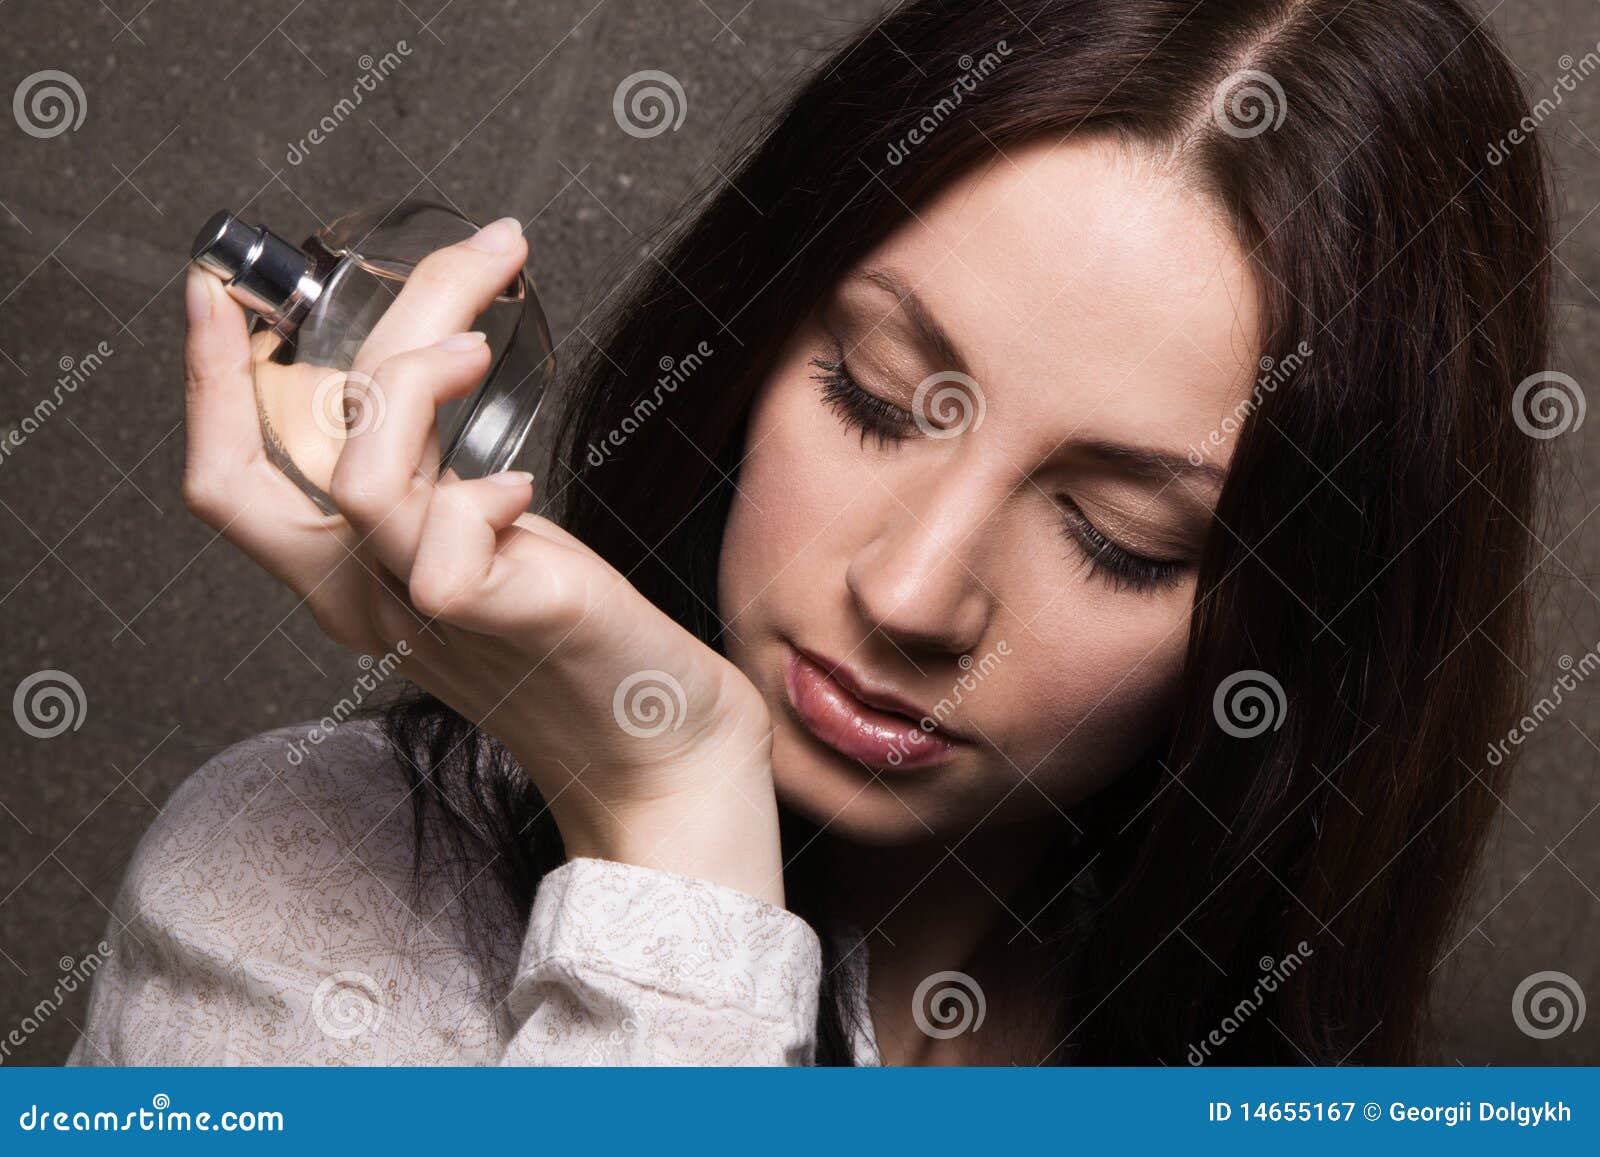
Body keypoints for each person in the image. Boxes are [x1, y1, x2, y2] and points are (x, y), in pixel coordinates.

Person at [69, 0, 1554, 1066]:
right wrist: (666, 814)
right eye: (876, 395)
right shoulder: (297, 895)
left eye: (1117, 536)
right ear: (754, 339)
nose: (910, 591)